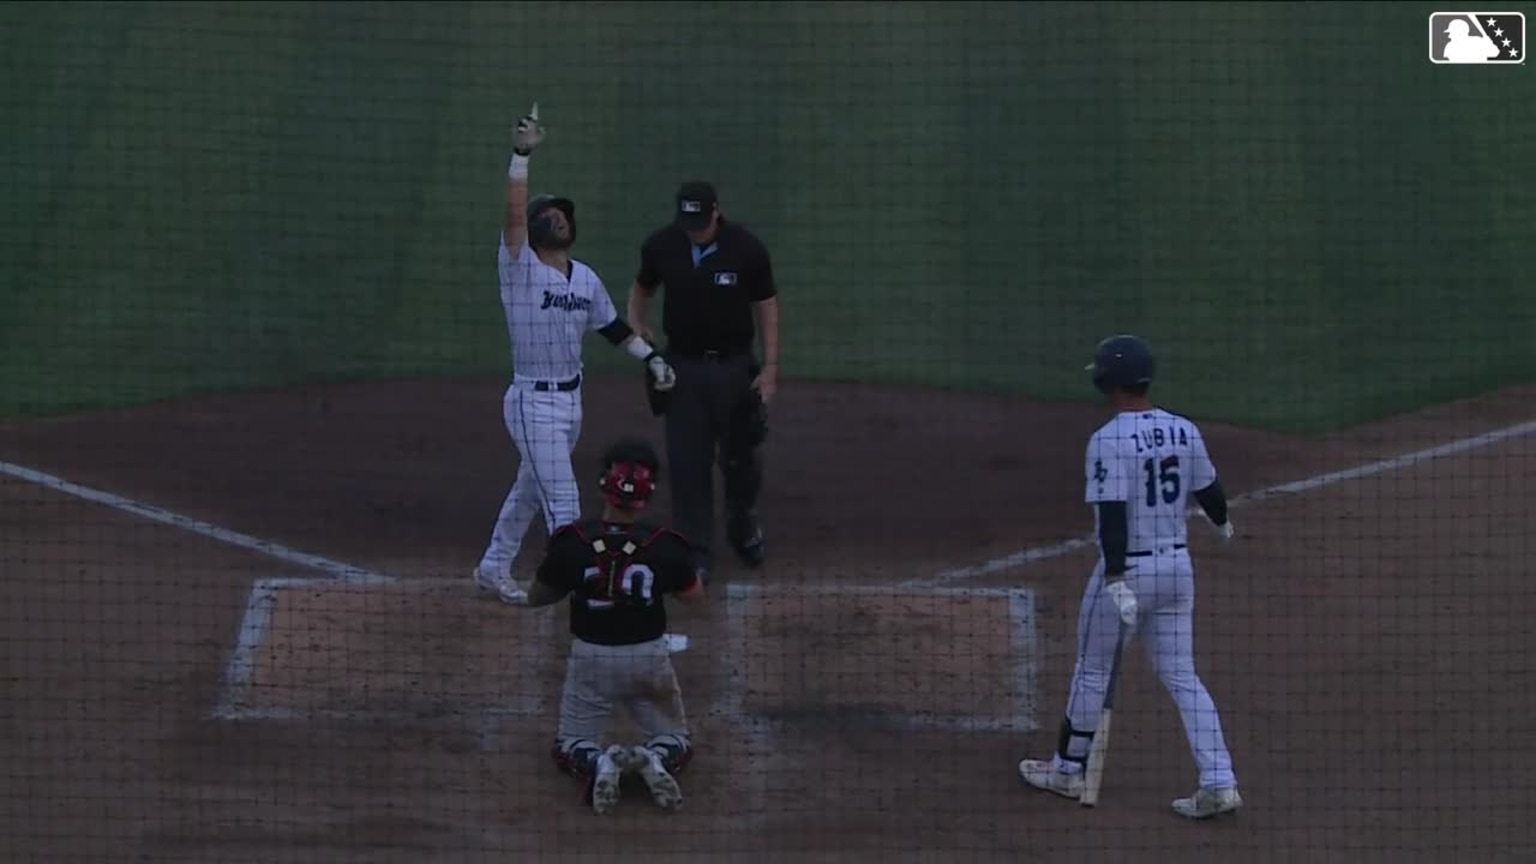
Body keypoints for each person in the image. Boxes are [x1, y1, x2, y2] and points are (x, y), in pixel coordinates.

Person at [1017, 335, 1243, 820]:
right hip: (1178, 570)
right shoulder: (1183, 429)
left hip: (1130, 571)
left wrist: (1116, 576)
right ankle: (1219, 782)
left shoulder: (1108, 439)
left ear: (1107, 380)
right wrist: (1222, 524)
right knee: (1182, 675)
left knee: (1092, 669)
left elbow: (1113, 513)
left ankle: (1066, 770)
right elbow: (1210, 490)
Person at [471, 102, 677, 604]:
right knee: (563, 501)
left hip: (569, 402)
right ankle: (583, 592)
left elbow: (612, 328)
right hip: (531, 402)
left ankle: (493, 565)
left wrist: (650, 357)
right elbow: (513, 214)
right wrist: (521, 155)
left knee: (528, 489)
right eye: (550, 214)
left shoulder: (583, 277)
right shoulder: (519, 268)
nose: (559, 218)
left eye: (563, 214)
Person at [513, 436, 706, 815]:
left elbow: (537, 597)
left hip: (591, 660)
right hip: (648, 659)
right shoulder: (666, 545)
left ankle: (599, 762)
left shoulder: (571, 542)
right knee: (676, 739)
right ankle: (653, 758)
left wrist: (573, 573)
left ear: (604, 486)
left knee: (569, 743)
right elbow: (695, 598)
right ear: (647, 497)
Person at [626, 181, 778, 581]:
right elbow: (642, 286)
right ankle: (695, 548)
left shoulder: (746, 248)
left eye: (699, 222)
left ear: (716, 212)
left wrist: (770, 368)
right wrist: (637, 323)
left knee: (741, 456)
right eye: (687, 223)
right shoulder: (662, 245)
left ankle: (742, 522)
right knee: (687, 462)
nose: (693, 230)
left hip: (734, 367)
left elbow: (766, 306)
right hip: (683, 368)